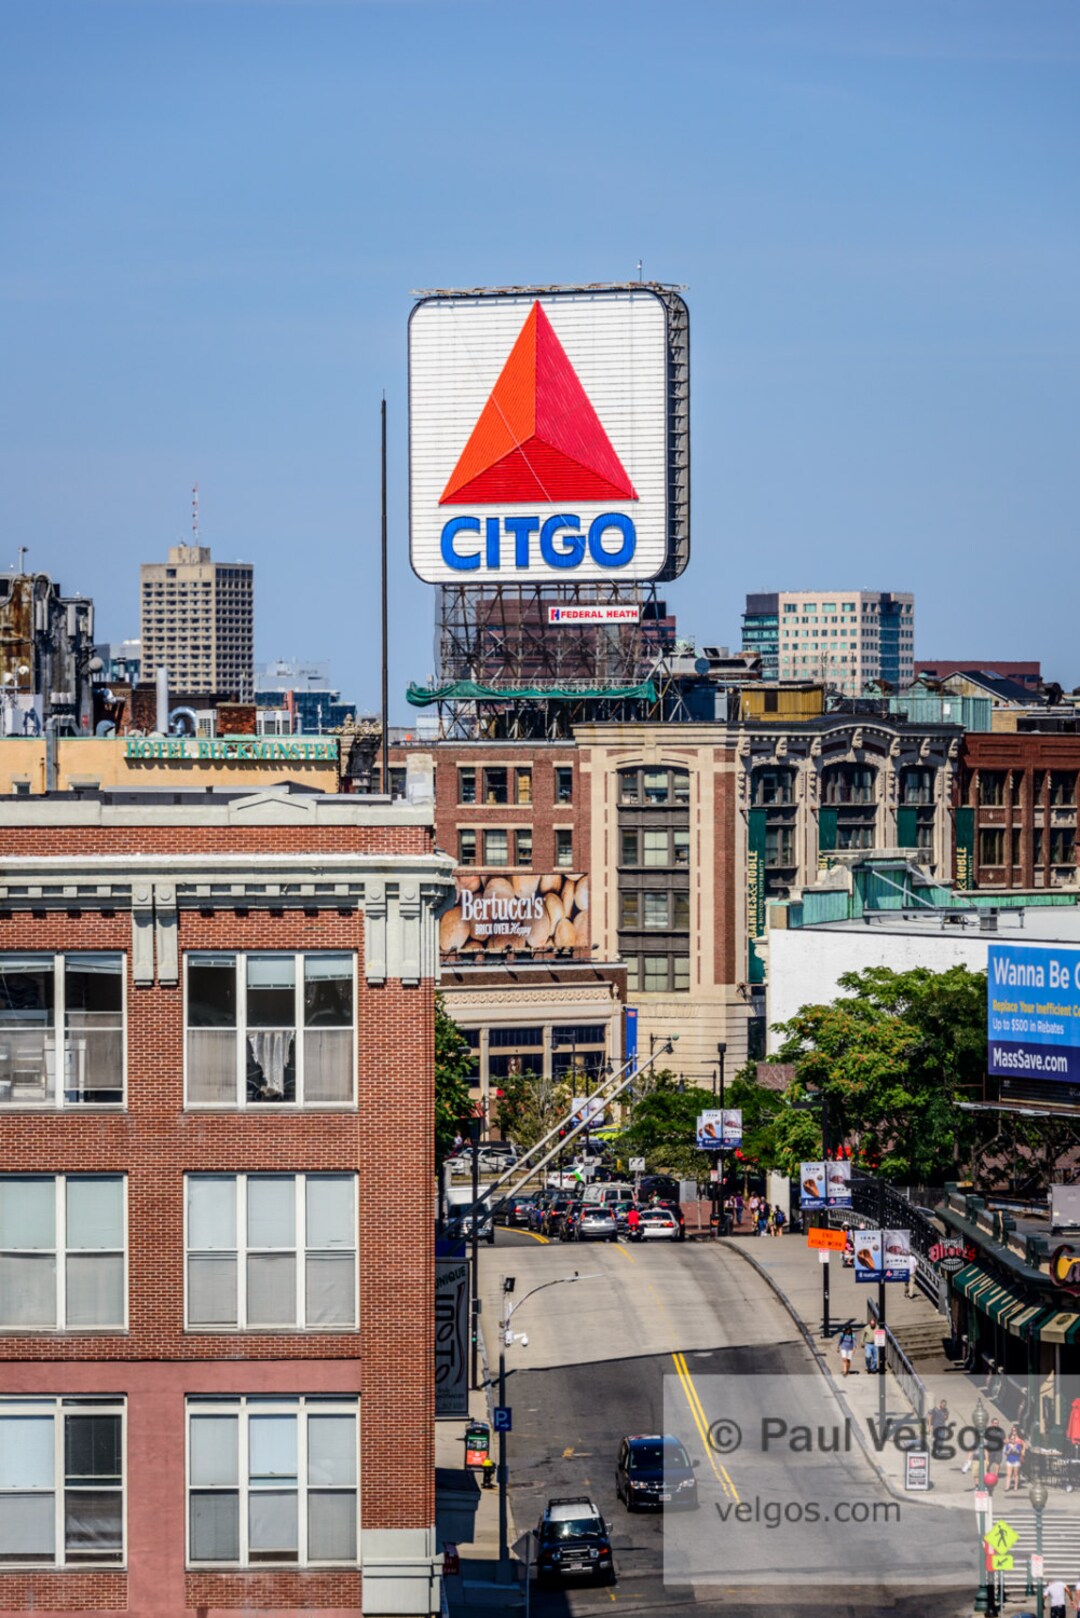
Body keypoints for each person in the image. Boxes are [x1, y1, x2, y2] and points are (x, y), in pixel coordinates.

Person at [1003, 1424, 1025, 1491]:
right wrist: (1009, 1442)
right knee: (1009, 1474)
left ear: (1017, 1430)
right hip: (1010, 1457)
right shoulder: (1010, 1437)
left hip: (1017, 1457)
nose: (1013, 1431)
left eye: (1014, 1430)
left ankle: (1016, 1485)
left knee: (1016, 1473)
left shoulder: (1020, 1439)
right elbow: (1005, 1442)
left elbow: (1024, 1446)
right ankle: (1007, 1486)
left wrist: (1023, 1453)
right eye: (1012, 1430)